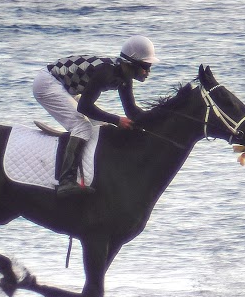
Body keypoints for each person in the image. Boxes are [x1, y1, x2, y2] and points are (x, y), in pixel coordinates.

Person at [32, 36, 156, 196]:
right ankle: (66, 181)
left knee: (100, 126)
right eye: (146, 66)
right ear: (131, 64)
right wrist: (117, 120)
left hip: (66, 87)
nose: (148, 72)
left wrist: (156, 121)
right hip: (47, 83)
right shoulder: (106, 72)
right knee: (82, 126)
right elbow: (84, 107)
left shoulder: (124, 76)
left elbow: (132, 111)